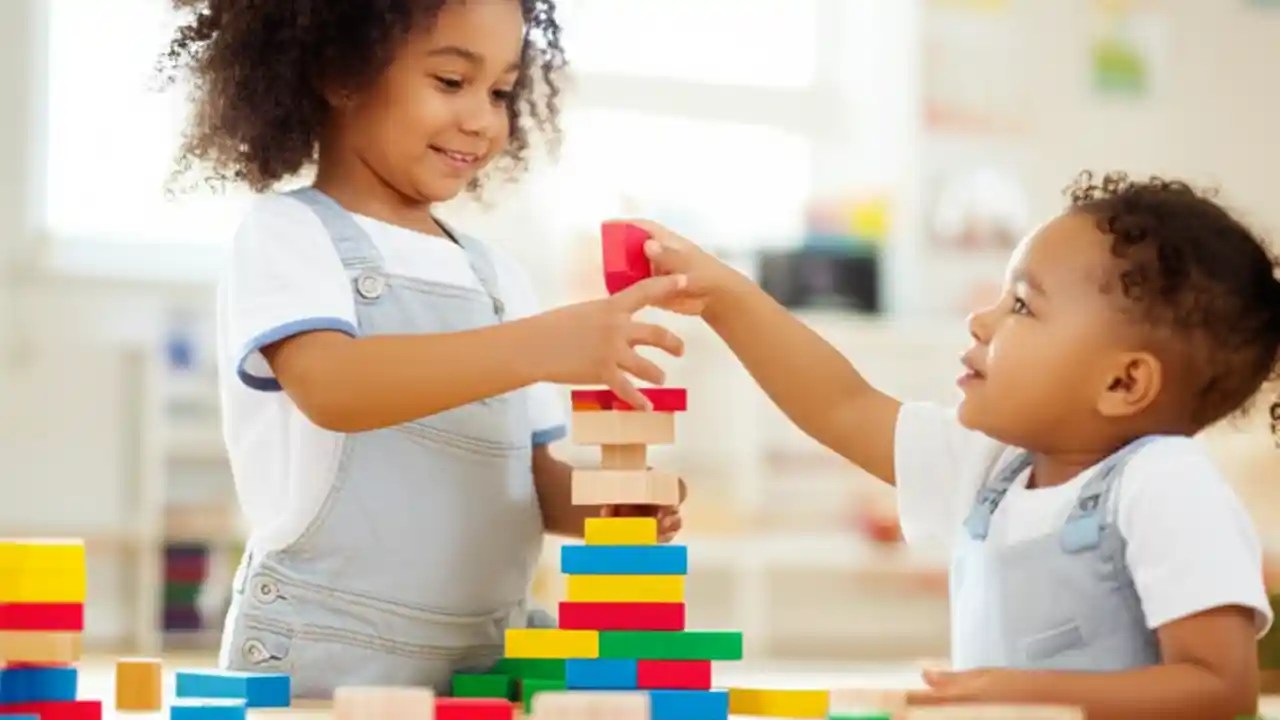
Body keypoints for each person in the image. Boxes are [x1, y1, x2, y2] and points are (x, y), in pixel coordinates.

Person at [160, 0, 687, 696]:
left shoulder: (498, 280)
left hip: (482, 663)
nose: (481, 119)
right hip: (324, 653)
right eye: (450, 82)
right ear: (340, 72)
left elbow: (525, 483)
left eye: (500, 92)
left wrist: (609, 506)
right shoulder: (290, 235)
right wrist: (535, 345)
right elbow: (335, 388)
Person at [631, 171, 1280, 720]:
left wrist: (1013, 695)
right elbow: (841, 405)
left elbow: (1221, 691)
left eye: (1022, 306)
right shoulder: (993, 467)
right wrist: (726, 297)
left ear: (1123, 380)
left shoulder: (1165, 482)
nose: (981, 319)